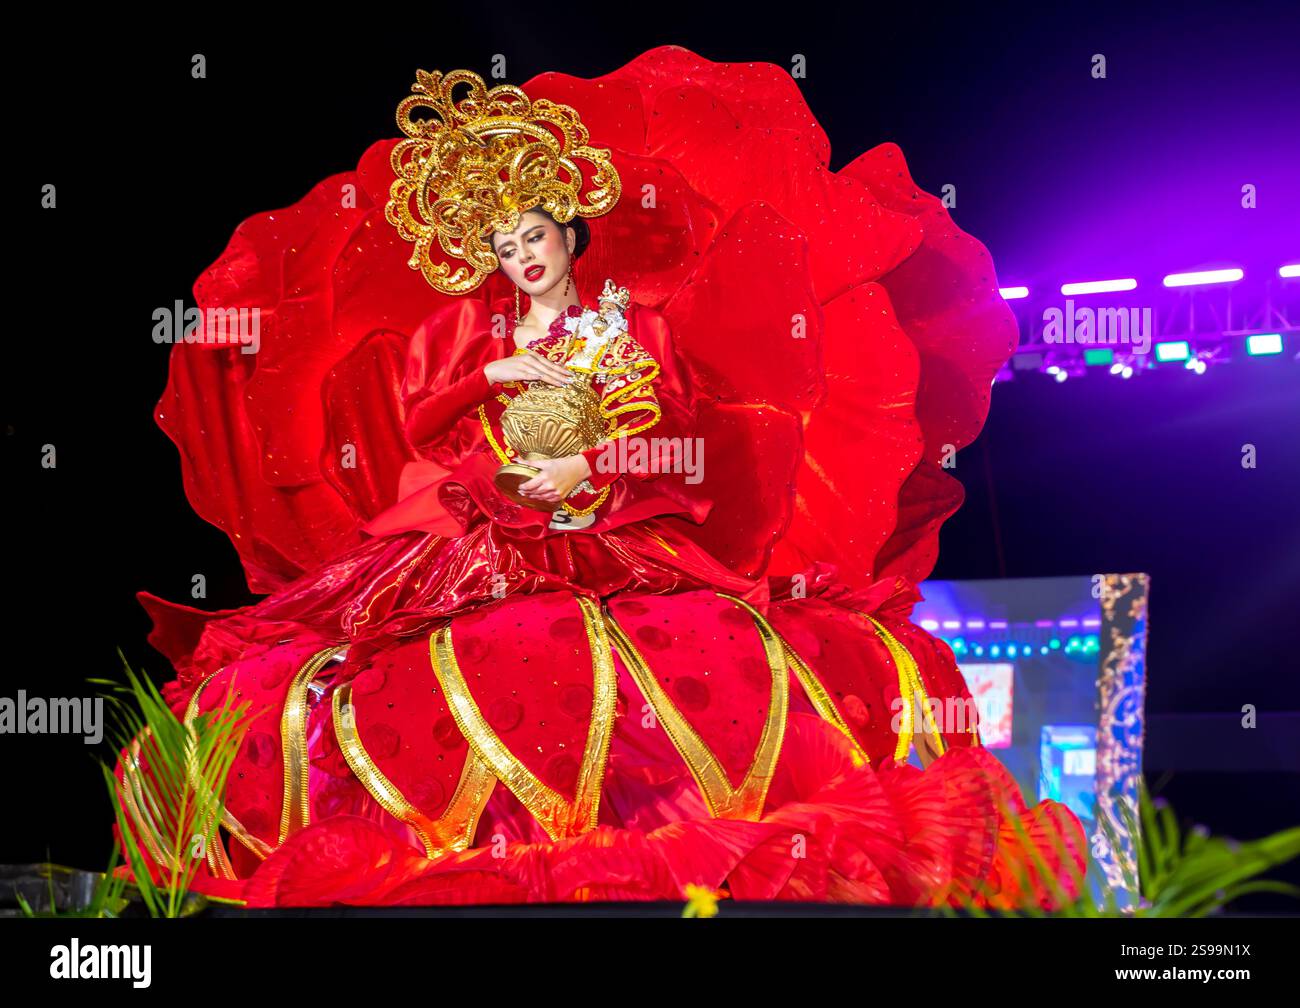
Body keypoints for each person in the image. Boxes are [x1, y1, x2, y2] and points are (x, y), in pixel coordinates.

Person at [113, 56, 1088, 909]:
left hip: (617, 531)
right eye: (502, 249)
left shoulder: (628, 331)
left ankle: (639, 844)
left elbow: (660, 442)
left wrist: (585, 469)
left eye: (534, 237)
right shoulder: (473, 344)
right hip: (482, 535)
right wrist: (487, 426)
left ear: (568, 235)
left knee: (705, 665)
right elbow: (419, 434)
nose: (522, 259)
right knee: (318, 684)